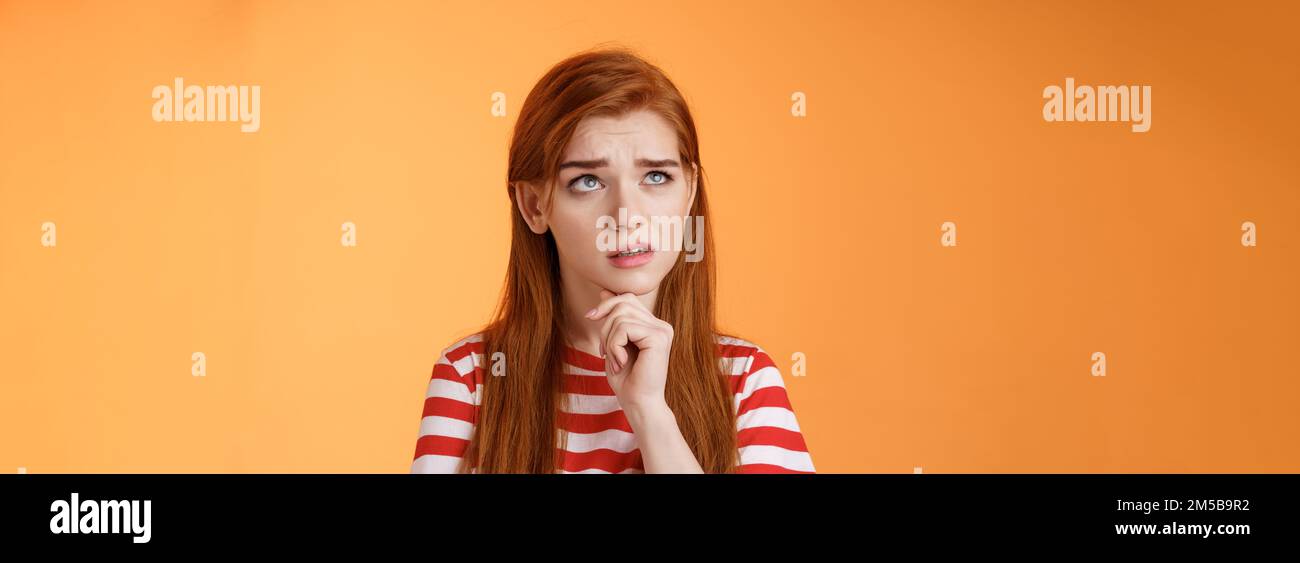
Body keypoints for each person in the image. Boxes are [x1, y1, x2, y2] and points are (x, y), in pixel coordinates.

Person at [411, 46, 814, 474]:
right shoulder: (470, 378)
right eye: (588, 181)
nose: (627, 216)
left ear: (690, 190)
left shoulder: (744, 380)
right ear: (534, 206)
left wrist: (649, 412)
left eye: (656, 176)